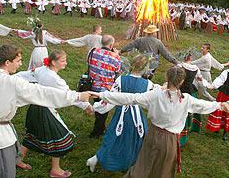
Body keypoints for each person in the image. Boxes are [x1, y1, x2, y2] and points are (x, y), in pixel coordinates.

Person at [0, 44, 91, 178]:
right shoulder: (12, 83)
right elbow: (43, 93)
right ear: (7, 62)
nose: (20, 64)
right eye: (18, 61)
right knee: (6, 172)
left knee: (6, 160)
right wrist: (77, 96)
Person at [88, 66, 221, 178]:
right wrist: (222, 105)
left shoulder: (156, 94)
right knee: (162, 171)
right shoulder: (186, 100)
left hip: (152, 135)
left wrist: (101, 94)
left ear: (166, 78)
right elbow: (204, 105)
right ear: (181, 82)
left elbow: (130, 98)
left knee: (142, 166)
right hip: (169, 141)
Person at [15, 50, 91, 177]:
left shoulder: (41, 70)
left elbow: (23, 75)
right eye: (63, 60)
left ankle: (17, 160)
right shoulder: (55, 79)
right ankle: (55, 170)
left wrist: (6, 77)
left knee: (32, 134)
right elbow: (69, 95)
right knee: (59, 137)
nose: (66, 63)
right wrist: (86, 106)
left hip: (34, 107)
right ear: (53, 62)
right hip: (45, 110)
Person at [86, 54, 154, 172]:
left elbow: (111, 98)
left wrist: (96, 107)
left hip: (122, 113)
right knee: (134, 139)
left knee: (113, 138)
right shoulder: (148, 84)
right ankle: (122, 162)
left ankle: (101, 159)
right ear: (145, 68)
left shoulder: (121, 79)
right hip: (136, 116)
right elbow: (150, 103)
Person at [88, 35, 121, 138]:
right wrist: (115, 55)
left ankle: (101, 128)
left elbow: (88, 63)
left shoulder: (93, 51)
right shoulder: (115, 57)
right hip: (106, 88)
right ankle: (96, 132)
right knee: (102, 111)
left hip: (92, 85)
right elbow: (118, 71)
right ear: (111, 44)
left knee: (98, 106)